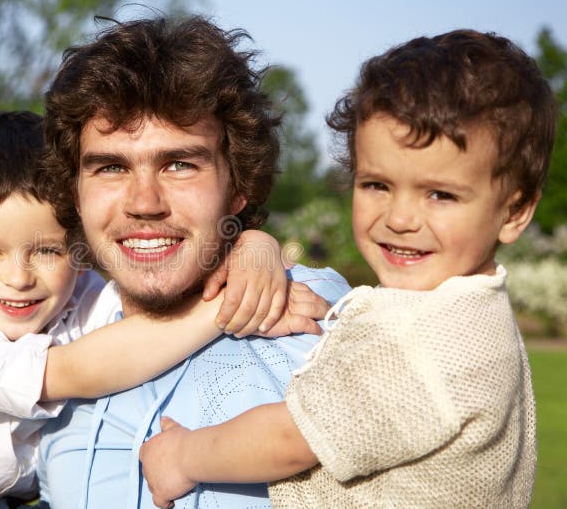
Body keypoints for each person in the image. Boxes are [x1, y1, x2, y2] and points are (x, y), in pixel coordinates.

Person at [0, 111, 321, 509]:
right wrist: (229, 307)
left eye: (47, 251)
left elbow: (147, 311)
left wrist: (251, 247)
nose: (19, 277)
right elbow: (76, 370)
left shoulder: (75, 295)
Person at [139, 29, 557, 508]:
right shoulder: (470, 313)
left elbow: (288, 440)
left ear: (514, 212)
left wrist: (183, 456)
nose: (400, 218)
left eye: (440, 194)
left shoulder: (425, 344)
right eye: (377, 185)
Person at [34, 16, 352, 509]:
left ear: (238, 185)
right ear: (76, 194)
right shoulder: (45, 367)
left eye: (179, 164)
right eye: (111, 167)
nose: (144, 203)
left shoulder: (325, 323)